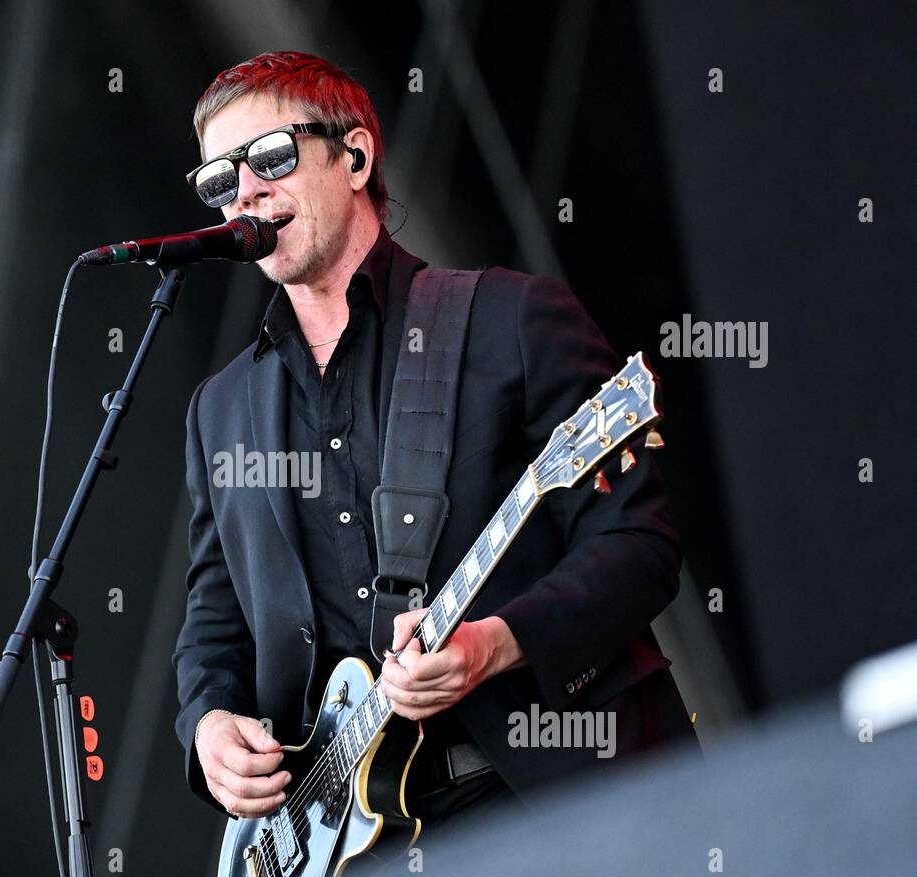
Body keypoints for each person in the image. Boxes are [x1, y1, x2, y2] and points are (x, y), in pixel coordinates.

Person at [173, 50, 697, 830]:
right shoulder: (222, 411)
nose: (244, 190)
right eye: (221, 180)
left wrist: (498, 641)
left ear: (354, 156)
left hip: (566, 795)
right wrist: (208, 726)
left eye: (270, 157)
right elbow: (215, 622)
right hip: (364, 849)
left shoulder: (510, 322)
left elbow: (638, 545)